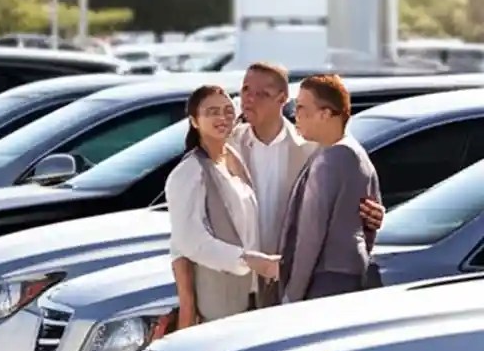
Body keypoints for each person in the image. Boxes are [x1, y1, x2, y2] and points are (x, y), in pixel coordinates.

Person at [166, 63, 385, 329]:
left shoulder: (312, 147)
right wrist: (187, 305)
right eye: (246, 89)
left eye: (262, 93)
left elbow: (348, 176)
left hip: (285, 285)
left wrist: (370, 214)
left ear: (283, 99)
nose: (249, 98)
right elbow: (183, 238)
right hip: (227, 291)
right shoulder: (224, 145)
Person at [165, 85, 280, 324]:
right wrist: (246, 259)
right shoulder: (189, 171)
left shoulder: (233, 158)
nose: (222, 117)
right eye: (212, 112)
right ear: (194, 121)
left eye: (228, 111)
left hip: (252, 295)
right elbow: (189, 241)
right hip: (218, 301)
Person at [277, 74, 382, 302]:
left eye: (303, 108)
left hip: (326, 278)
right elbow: (371, 221)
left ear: (325, 114)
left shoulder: (332, 158)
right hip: (347, 272)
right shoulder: (354, 151)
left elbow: (311, 234)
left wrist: (292, 295)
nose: (296, 115)